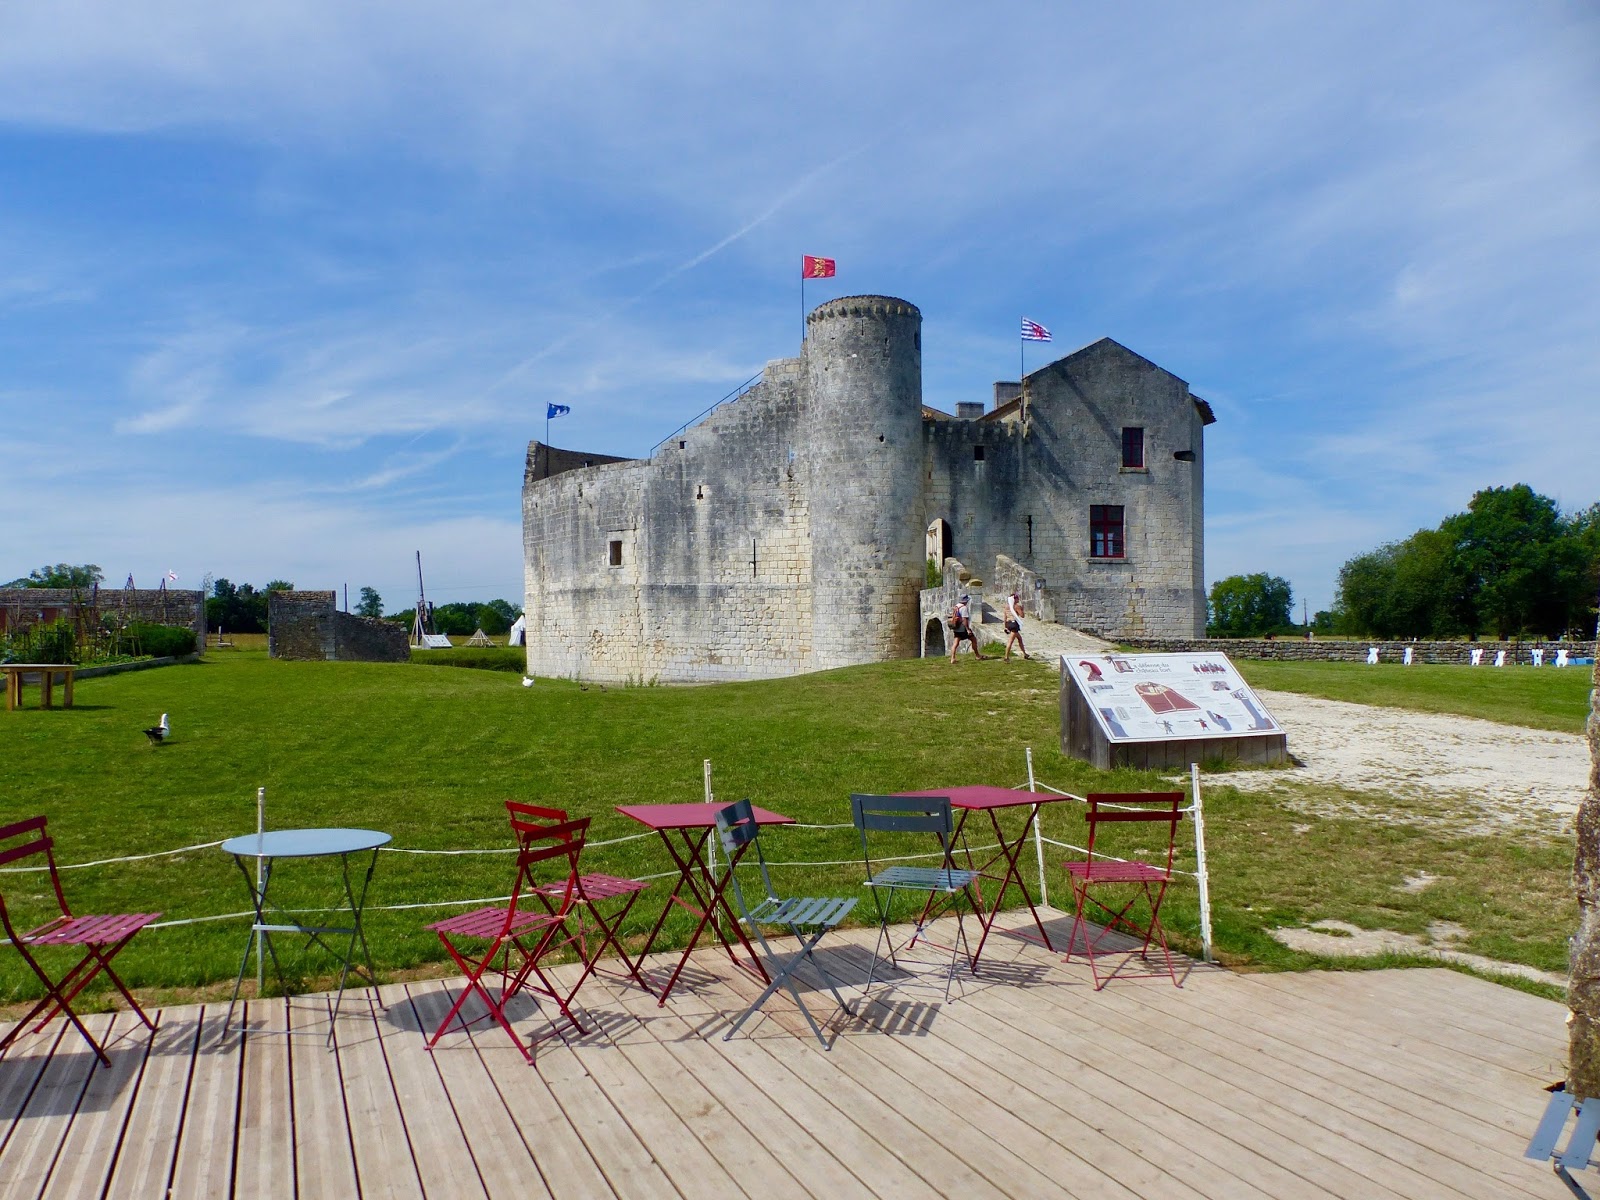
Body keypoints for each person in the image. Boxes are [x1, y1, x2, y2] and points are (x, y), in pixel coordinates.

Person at [948, 594, 985, 663]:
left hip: (956, 628)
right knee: (973, 639)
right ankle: (977, 655)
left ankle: (952, 658)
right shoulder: (964, 608)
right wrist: (968, 629)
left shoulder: (956, 606)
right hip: (962, 628)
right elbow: (964, 619)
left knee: (955, 643)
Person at [1003, 590, 1029, 661]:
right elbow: (1022, 615)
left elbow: (1005, 617)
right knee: (1010, 641)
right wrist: (1022, 609)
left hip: (1009, 623)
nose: (1018, 599)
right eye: (1017, 598)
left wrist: (1005, 626)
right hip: (1014, 624)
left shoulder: (1007, 606)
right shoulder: (1016, 606)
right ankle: (1006, 657)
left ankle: (1024, 654)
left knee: (1019, 639)